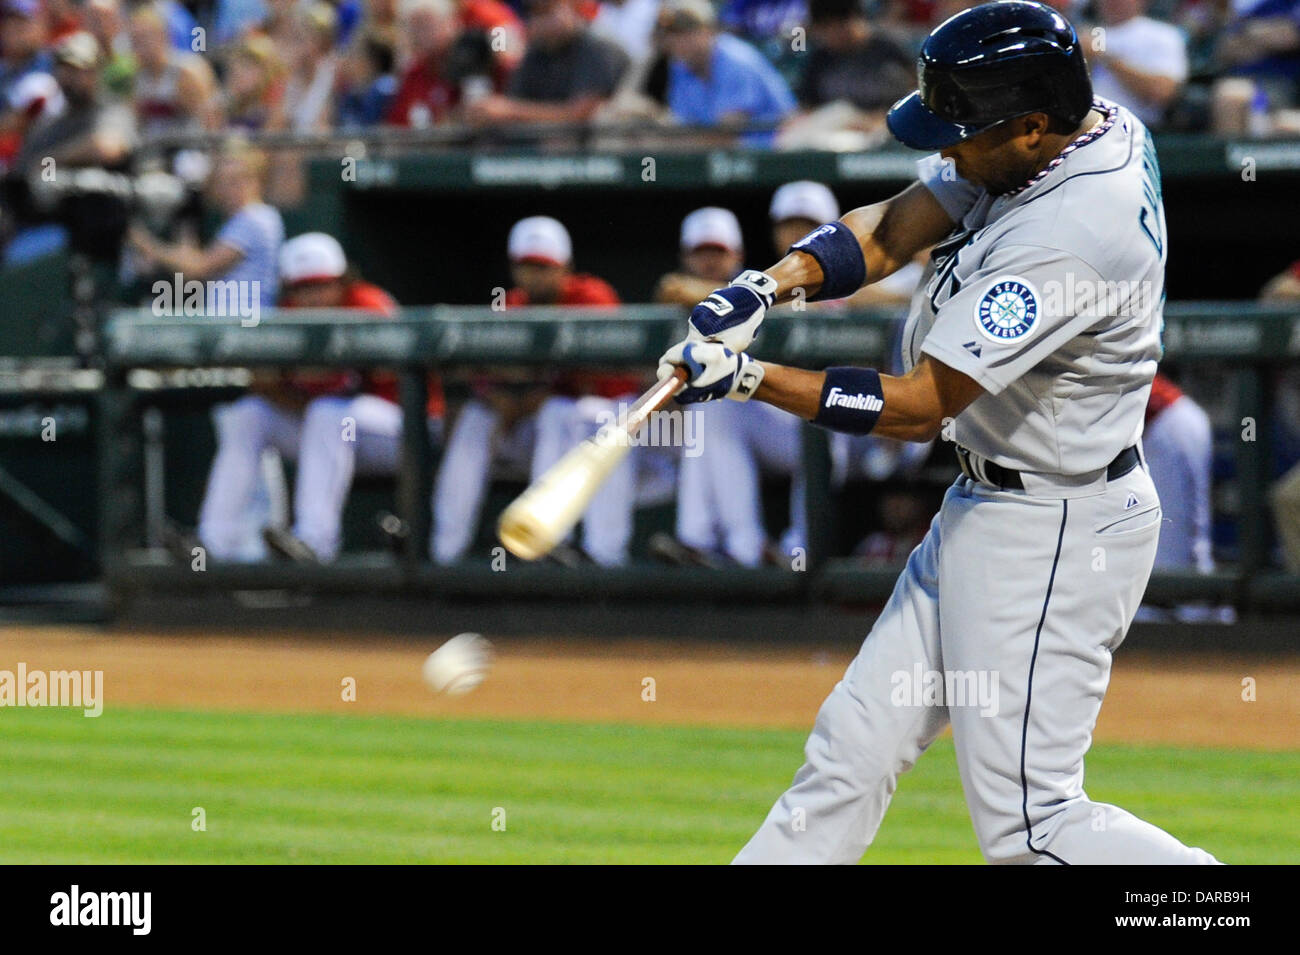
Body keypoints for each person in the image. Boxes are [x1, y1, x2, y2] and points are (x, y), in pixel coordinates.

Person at [659, 1, 1219, 863]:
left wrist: (747, 378)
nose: (948, 147)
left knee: (1035, 825)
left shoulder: (1073, 232)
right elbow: (895, 224)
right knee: (851, 750)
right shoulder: (1072, 130)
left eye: (966, 129)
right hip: (992, 503)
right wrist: (765, 289)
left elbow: (919, 405)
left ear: (1031, 125)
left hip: (1055, 528)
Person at [432, 216, 640, 566]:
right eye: (527, 266)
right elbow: (485, 375)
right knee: (475, 419)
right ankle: (445, 552)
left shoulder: (591, 297)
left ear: (566, 267)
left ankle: (551, 541)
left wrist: (530, 395)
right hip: (542, 435)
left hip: (603, 435)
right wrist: (496, 395)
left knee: (559, 409)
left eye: (544, 266)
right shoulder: (511, 304)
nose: (535, 275)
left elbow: (589, 381)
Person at [259, 233, 443, 563]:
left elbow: (389, 376)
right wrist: (280, 382)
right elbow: (263, 382)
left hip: (404, 433)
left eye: (322, 285)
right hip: (337, 438)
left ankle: (314, 542)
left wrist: (343, 363)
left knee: (329, 413)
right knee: (250, 415)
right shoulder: (285, 316)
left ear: (342, 281)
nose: (313, 296)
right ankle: (223, 542)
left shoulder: (368, 305)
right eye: (302, 287)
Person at [653, 204, 805, 567]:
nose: (708, 261)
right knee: (707, 407)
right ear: (684, 255)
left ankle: (745, 547)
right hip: (714, 432)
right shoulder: (673, 299)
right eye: (700, 252)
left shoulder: (762, 287)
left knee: (715, 403)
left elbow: (800, 309)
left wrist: (698, 293)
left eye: (717, 252)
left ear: (737, 253)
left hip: (795, 421)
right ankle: (705, 542)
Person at [463, 0, 629, 126]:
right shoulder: (536, 51)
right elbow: (515, 99)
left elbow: (581, 115)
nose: (540, 21)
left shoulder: (597, 45)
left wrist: (508, 111)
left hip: (607, 151)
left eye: (548, 11)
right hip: (544, 151)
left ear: (573, 8)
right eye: (535, 13)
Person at [656, 0, 794, 145]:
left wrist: (671, 142)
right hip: (725, 158)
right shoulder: (680, 66)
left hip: (776, 154)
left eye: (687, 31)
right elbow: (681, 124)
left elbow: (726, 136)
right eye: (672, 34)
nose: (679, 41)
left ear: (710, 30)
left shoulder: (736, 61)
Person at [1083, 0, 1188, 129]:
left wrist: (1105, 58)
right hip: (1085, 126)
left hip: (1136, 127)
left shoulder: (1163, 34)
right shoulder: (1091, 34)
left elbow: (1162, 92)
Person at [129, 3, 221, 137]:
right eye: (135, 39)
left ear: (162, 36)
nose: (139, 46)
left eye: (144, 38)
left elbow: (210, 120)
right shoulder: (137, 75)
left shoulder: (187, 71)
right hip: (151, 148)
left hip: (187, 148)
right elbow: (136, 119)